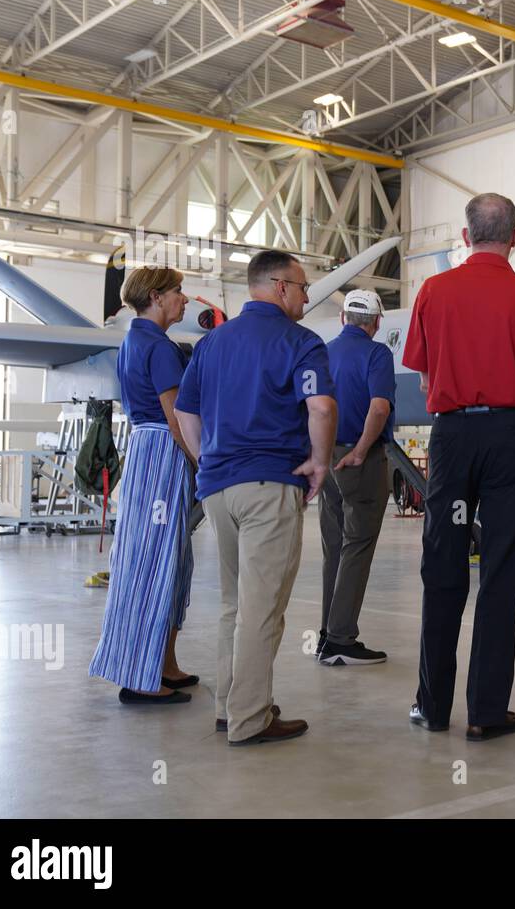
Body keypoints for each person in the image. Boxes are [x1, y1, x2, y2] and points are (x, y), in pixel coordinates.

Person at [402, 193, 515, 741]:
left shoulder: (433, 291)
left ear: (465, 234)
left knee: (443, 565)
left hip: (453, 436)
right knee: (502, 570)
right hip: (511, 437)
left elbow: (426, 381)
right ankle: (486, 712)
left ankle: (432, 705)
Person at [175, 249, 338, 747]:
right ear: (280, 286)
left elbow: (186, 414)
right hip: (270, 485)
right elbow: (323, 406)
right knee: (262, 608)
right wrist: (320, 461)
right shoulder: (301, 341)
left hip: (220, 490)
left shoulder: (211, 343)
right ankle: (250, 717)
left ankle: (230, 705)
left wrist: (210, 462)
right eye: (304, 286)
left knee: (235, 604)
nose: (309, 296)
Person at [89, 266, 198, 705]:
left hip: (144, 451)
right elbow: (176, 419)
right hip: (163, 454)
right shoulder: (159, 347)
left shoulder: (131, 341)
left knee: (170, 559)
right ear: (156, 297)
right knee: (158, 560)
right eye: (178, 292)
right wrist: (202, 463)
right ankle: (141, 676)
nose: (184, 300)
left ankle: (163, 663)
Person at [316, 289, 395, 667]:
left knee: (334, 547)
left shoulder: (323, 352)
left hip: (326, 458)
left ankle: (325, 635)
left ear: (344, 318)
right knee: (357, 547)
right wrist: (362, 450)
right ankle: (341, 639)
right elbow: (379, 408)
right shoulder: (377, 354)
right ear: (376, 322)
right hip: (358, 460)